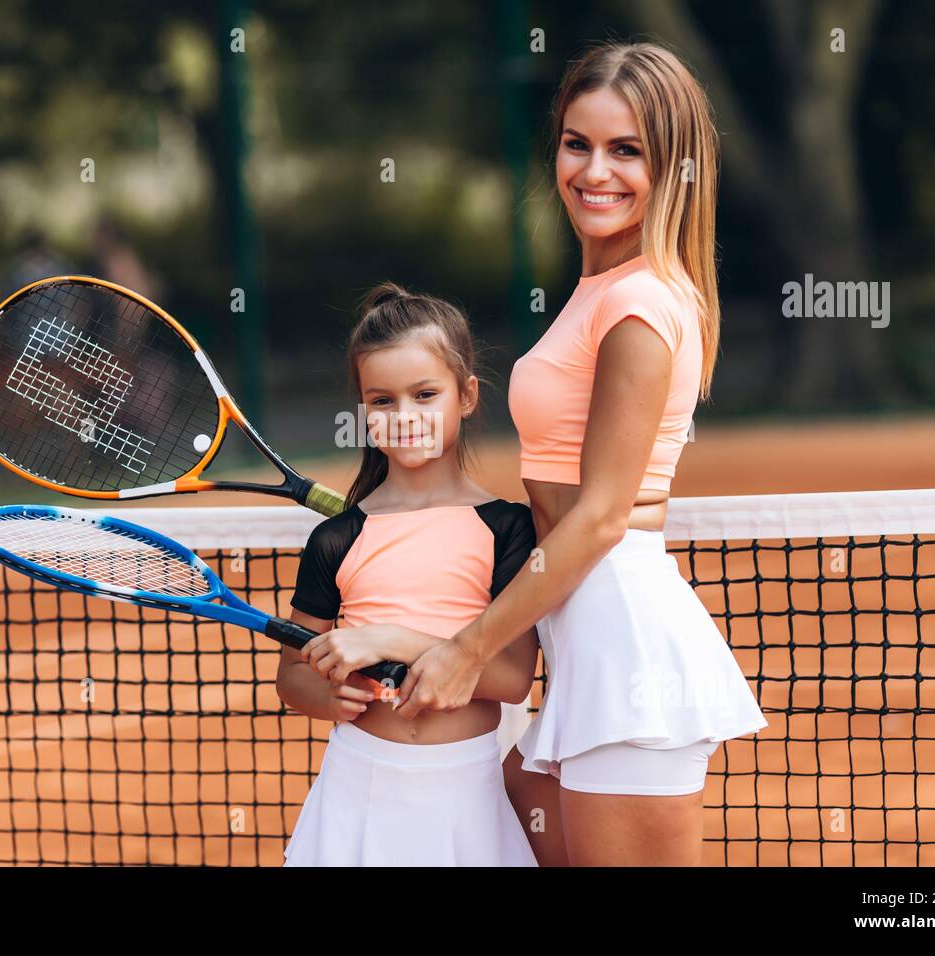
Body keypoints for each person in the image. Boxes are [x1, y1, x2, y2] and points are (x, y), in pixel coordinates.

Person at [324, 42, 768, 866]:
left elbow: (599, 516)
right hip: (583, 643)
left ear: (672, 167)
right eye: (577, 142)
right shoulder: (601, 290)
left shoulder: (638, 304)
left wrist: (465, 649)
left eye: (626, 149)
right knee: (520, 813)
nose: (594, 170)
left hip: (625, 648)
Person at [278, 282, 538, 867]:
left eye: (426, 394)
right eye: (384, 401)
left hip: (465, 789)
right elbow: (292, 676)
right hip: (356, 784)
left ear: (466, 395)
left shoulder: (508, 529)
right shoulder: (337, 537)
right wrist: (327, 695)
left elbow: (511, 677)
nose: (405, 417)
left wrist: (391, 639)